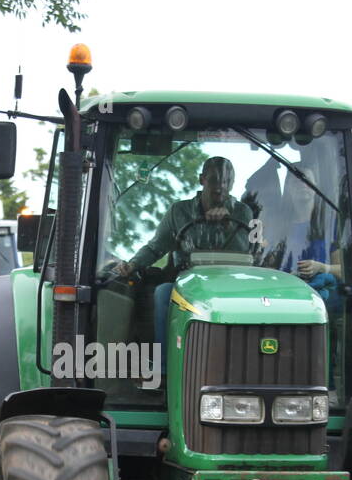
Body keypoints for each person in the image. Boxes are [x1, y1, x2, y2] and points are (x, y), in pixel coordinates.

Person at [106, 157, 253, 370]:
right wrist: (132, 264)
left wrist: (228, 225)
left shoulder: (243, 213)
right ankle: (164, 369)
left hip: (232, 286)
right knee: (163, 293)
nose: (220, 187)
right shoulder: (179, 212)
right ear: (202, 180)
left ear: (232, 183)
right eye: (214, 180)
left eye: (226, 181)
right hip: (188, 286)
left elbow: (247, 254)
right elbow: (156, 246)